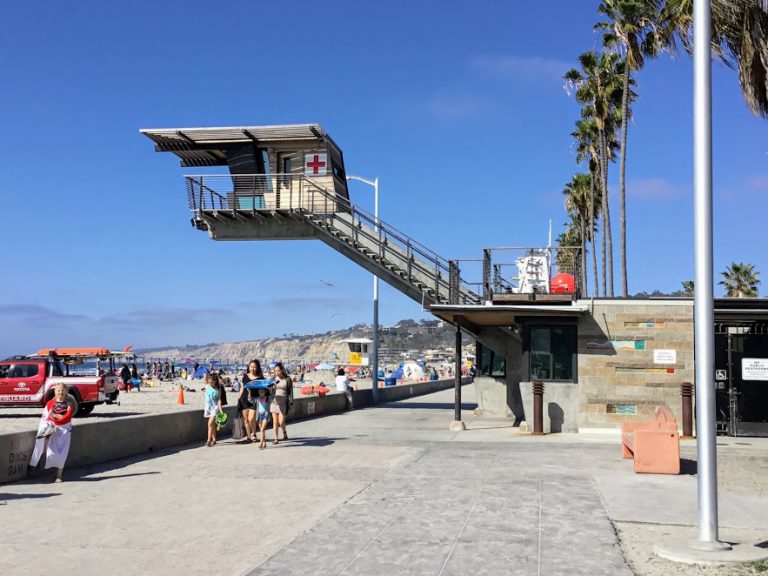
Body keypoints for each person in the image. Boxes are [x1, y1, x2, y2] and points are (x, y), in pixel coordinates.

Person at [29, 383, 74, 482]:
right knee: (51, 453)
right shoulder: (50, 404)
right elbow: (46, 417)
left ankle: (59, 475)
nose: (60, 392)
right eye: (58, 390)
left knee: (62, 454)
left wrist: (54, 415)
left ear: (66, 392)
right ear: (55, 392)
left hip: (65, 431)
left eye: (63, 390)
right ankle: (46, 469)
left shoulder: (69, 404)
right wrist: (47, 428)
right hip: (53, 431)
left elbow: (65, 417)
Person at [238, 360, 264, 443]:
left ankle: (254, 434)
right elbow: (242, 388)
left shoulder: (260, 378)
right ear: (249, 367)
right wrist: (239, 397)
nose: (253, 368)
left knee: (251, 418)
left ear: (257, 368)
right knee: (246, 419)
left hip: (254, 399)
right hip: (244, 399)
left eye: (254, 367)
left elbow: (263, 391)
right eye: (251, 366)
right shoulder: (245, 376)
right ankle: (249, 436)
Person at [270, 362, 293, 445]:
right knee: (275, 421)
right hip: (274, 402)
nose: (277, 372)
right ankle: (276, 439)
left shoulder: (287, 379)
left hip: (283, 403)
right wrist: (271, 387)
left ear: (282, 370)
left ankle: (284, 432)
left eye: (278, 370)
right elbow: (269, 390)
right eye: (275, 371)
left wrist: (291, 401)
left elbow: (290, 391)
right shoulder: (273, 379)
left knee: (281, 422)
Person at [203, 373, 223, 447]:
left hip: (215, 408)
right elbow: (205, 378)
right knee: (212, 425)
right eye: (209, 382)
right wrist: (205, 375)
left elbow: (219, 400)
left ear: (215, 381)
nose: (210, 383)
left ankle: (208, 440)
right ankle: (214, 440)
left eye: (212, 382)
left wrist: (220, 410)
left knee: (210, 424)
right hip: (208, 408)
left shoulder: (218, 388)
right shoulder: (207, 386)